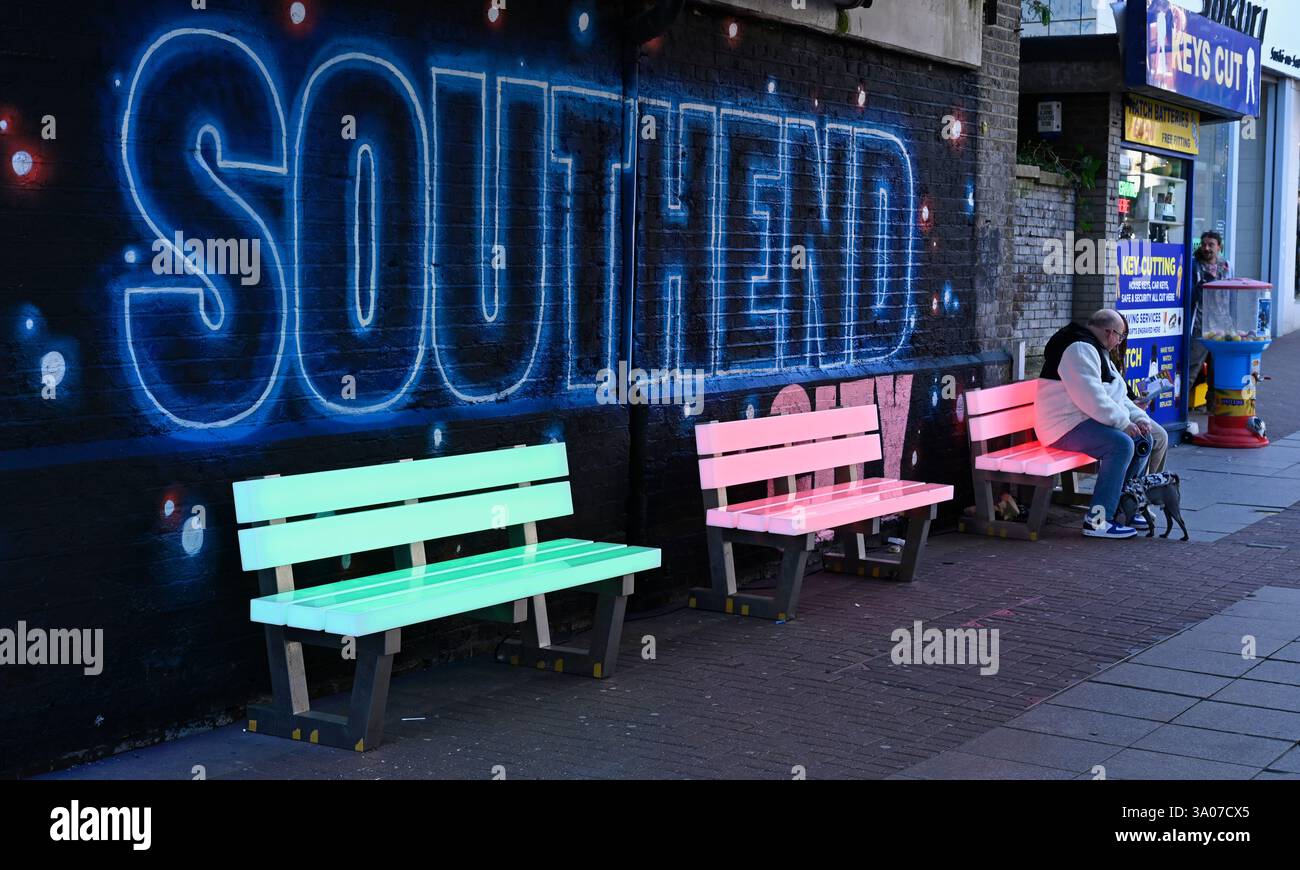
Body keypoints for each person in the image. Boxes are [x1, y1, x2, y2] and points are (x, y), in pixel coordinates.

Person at [1035, 309, 1156, 540]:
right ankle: (1098, 521)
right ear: (1110, 332)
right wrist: (1123, 423)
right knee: (1120, 445)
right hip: (1061, 426)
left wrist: (1139, 419)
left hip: (1081, 420)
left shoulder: (1097, 349)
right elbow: (1091, 398)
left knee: (1142, 439)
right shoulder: (1078, 349)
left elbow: (1116, 395)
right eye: (1120, 336)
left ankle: (1123, 507)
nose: (1120, 342)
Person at [1189, 231, 1231, 408]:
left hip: (1221, 324)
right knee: (1192, 366)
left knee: (1218, 368)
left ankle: (1214, 405)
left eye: (1211, 245)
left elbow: (1230, 293)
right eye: (1204, 244)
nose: (1206, 248)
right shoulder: (1195, 265)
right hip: (1200, 323)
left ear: (1219, 247)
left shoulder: (1225, 265)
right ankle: (1180, 405)